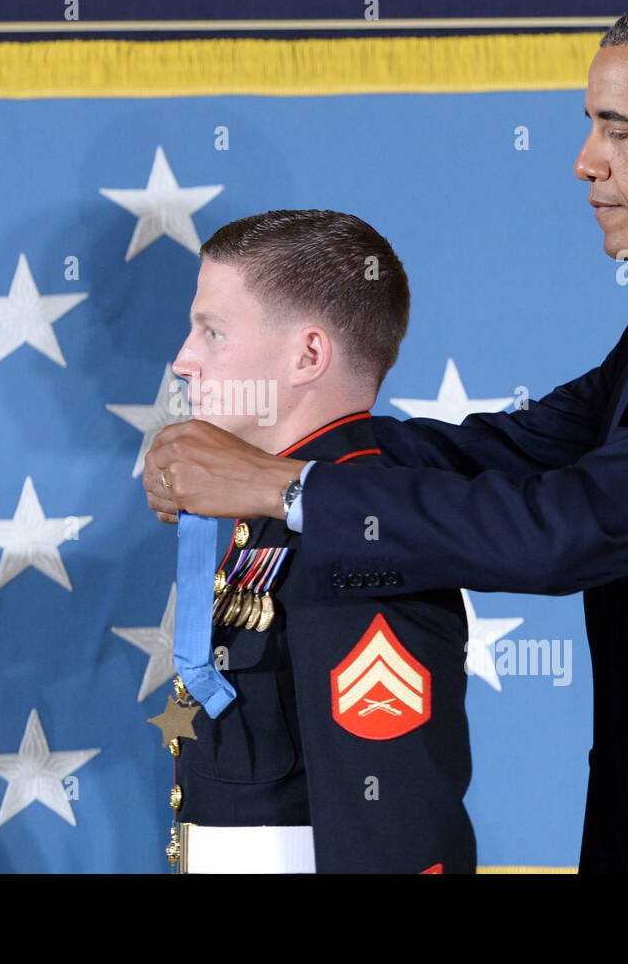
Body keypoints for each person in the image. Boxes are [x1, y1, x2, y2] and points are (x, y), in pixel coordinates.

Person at [145, 0, 628, 873]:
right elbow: (517, 446)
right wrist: (294, 455)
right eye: (589, 128)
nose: (585, 162)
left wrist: (278, 489)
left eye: (620, 131)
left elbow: (568, 527)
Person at [155, 209, 475, 874]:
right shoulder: (274, 519)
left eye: (212, 332)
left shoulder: (359, 543)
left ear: (308, 355)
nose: (183, 360)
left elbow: (389, 827)